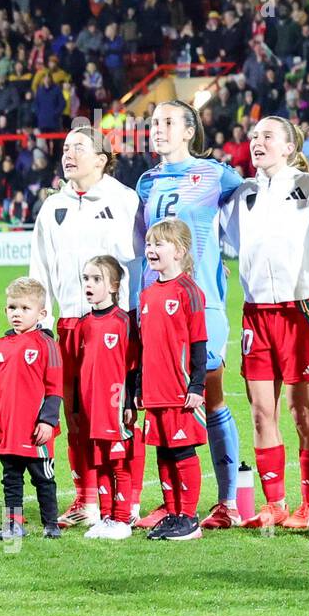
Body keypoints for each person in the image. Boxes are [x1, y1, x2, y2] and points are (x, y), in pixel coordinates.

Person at [134, 100, 244, 531]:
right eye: (153, 123)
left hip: (204, 303)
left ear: (188, 130)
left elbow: (246, 210)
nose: (157, 129)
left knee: (207, 394)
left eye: (166, 122)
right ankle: (174, 504)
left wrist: (226, 261)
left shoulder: (218, 174)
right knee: (163, 400)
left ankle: (228, 500)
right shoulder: (147, 182)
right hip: (156, 305)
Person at [30, 127, 140, 528]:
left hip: (113, 323)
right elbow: (39, 267)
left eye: (78, 147)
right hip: (68, 323)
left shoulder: (125, 200)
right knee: (73, 413)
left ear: (101, 157)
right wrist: (41, 323)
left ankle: (127, 499)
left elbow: (137, 265)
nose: (68, 154)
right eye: (64, 148)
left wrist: (132, 320)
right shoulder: (53, 207)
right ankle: (86, 499)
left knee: (116, 412)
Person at [223, 116, 309, 530]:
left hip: (301, 309)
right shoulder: (243, 193)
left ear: (289, 146)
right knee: (261, 412)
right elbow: (229, 242)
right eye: (252, 136)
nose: (256, 142)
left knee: (302, 412)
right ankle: (275, 504)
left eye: (267, 136)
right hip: (256, 312)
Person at [136, 218, 209, 541]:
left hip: (179, 390)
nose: (151, 250)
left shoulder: (189, 291)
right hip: (153, 389)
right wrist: (138, 386)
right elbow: (143, 347)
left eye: (159, 244)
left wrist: (197, 385)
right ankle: (172, 511)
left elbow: (198, 343)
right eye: (149, 244)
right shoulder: (148, 294)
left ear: (178, 251)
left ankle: (189, 517)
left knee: (181, 452)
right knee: (163, 452)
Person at [0, 277, 63, 541]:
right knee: (11, 480)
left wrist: (48, 422)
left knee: (43, 480)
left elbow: (55, 388)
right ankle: (14, 525)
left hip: (35, 431)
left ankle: (51, 524)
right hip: (7, 429)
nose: (16, 313)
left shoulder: (46, 344)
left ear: (41, 313)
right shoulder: (0, 345)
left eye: (24, 308)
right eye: (12, 307)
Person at [76, 256, 138, 540]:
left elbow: (134, 365)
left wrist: (130, 402)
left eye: (96, 279)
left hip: (115, 406)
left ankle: (123, 519)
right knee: (98, 462)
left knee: (118, 463)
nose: (89, 284)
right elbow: (81, 368)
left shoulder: (124, 321)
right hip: (93, 408)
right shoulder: (84, 323)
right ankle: (106, 517)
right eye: (86, 278)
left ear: (113, 286)